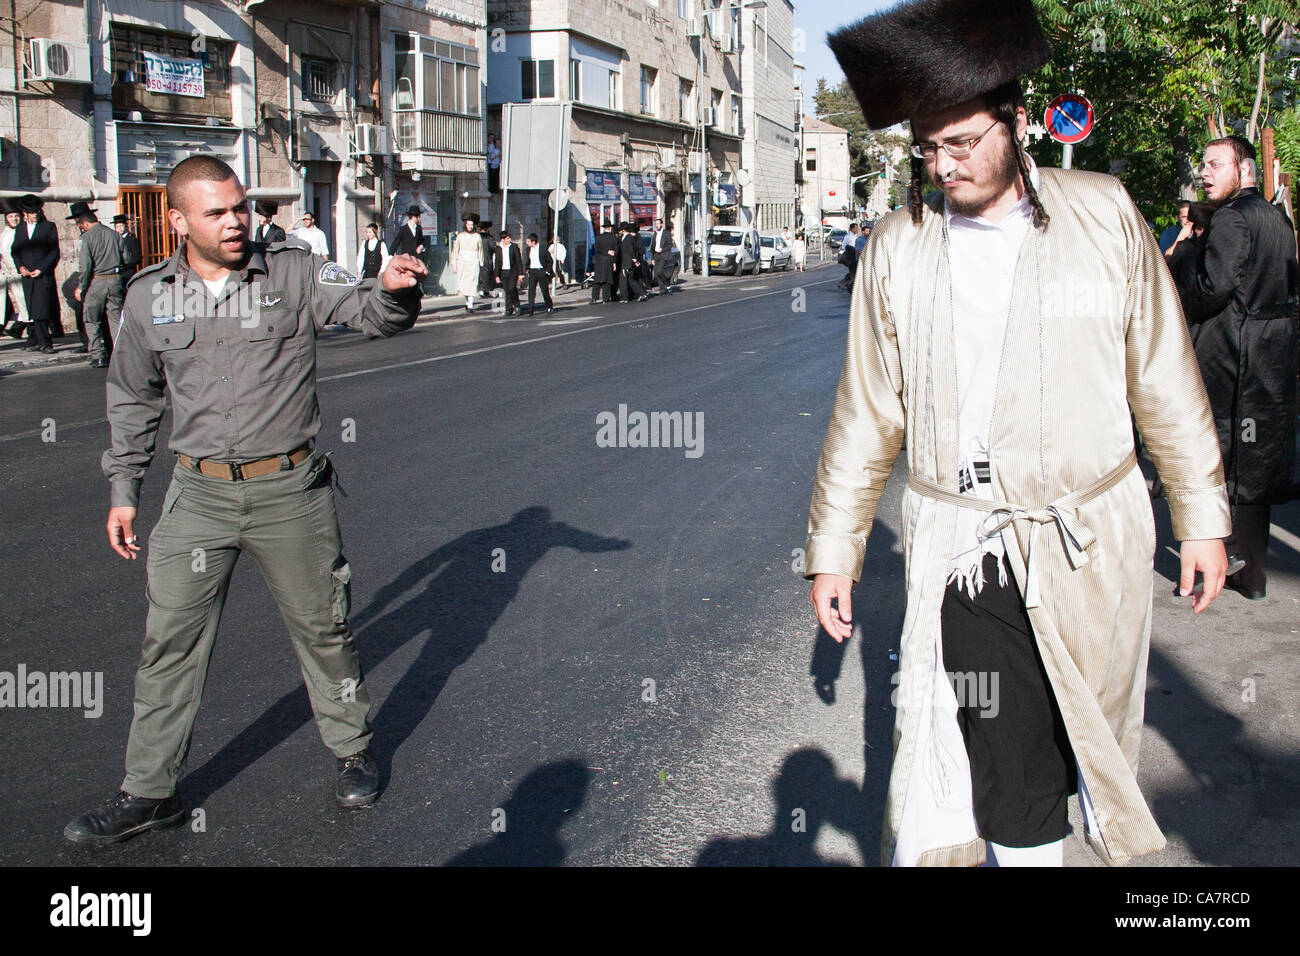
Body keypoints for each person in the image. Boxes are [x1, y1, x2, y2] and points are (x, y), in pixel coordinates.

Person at [810, 0, 1230, 869]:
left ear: (1017, 121)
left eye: (961, 141)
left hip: (1089, 540)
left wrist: (1202, 516)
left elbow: (1161, 375)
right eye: (928, 147)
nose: (943, 163)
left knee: (1084, 737)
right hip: (969, 548)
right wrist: (836, 549)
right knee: (1003, 755)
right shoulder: (898, 245)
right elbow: (867, 411)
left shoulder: (1104, 214)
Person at [63, 155, 428, 847]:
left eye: (239, 206)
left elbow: (366, 312)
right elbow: (133, 399)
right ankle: (149, 793)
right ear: (177, 221)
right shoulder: (147, 297)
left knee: (323, 630)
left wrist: (394, 290)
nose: (236, 222)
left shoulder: (290, 269)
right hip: (197, 494)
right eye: (216, 212)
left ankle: (353, 750)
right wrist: (123, 490)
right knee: (167, 643)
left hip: (289, 490)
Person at [1179, 135, 1298, 600]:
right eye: (1203, 164)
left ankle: (1223, 560)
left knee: (1221, 455)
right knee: (1256, 461)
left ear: (1244, 170)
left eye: (1215, 165)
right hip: (1271, 353)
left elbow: (1213, 287)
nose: (1205, 173)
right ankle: (1252, 574)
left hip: (1233, 354)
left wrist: (1187, 259)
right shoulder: (1277, 219)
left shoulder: (1231, 218)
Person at [69, 202, 125, 368]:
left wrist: (81, 286)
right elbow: (126, 257)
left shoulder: (87, 238)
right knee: (115, 319)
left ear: (85, 223)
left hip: (97, 280)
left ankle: (98, 354)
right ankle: (120, 354)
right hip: (115, 279)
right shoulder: (115, 235)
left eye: (80, 225)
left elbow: (85, 267)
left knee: (92, 319)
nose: (81, 228)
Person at [10, 194, 60, 353]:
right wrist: (21, 267)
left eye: (37, 211)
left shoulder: (49, 227)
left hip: (42, 275)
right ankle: (37, 340)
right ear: (25, 213)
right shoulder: (20, 229)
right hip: (27, 276)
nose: (35, 214)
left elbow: (54, 252)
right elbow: (15, 251)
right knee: (32, 309)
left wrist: (42, 269)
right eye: (32, 212)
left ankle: (45, 342)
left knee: (42, 309)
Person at [1165, 201, 1212, 295]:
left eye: (1190, 218)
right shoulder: (1169, 234)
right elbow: (1166, 260)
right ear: (1177, 218)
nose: (1187, 221)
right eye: (1184, 217)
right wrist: (1180, 237)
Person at [1, 199, 29, 339]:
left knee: (24, 301)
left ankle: (26, 329)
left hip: (19, 272)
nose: (14, 219)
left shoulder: (23, 232)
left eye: (16, 216)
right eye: (11, 216)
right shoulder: (4, 233)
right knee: (3, 304)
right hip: (6, 273)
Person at [451, 213, 485, 313]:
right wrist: (454, 263)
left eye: (471, 225)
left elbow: (481, 250)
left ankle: (470, 305)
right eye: (468, 224)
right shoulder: (460, 236)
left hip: (473, 262)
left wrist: (481, 262)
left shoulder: (477, 236)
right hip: (463, 262)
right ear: (465, 225)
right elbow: (455, 250)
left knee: (472, 283)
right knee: (464, 284)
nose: (470, 226)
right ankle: (467, 302)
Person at [524, 232, 555, 316]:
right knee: (531, 291)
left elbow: (550, 261)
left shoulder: (542, 249)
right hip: (532, 271)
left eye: (528, 241)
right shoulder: (528, 250)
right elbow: (527, 261)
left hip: (541, 271)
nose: (527, 243)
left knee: (544, 290)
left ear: (533, 242)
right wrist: (527, 269)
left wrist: (547, 271)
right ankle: (530, 309)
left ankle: (549, 306)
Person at [493, 230, 523, 316]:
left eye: (509, 238)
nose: (509, 240)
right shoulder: (498, 249)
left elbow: (518, 261)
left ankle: (517, 305)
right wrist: (496, 275)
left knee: (512, 288)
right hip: (503, 272)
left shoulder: (514, 247)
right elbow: (497, 263)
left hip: (512, 271)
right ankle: (508, 308)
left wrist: (520, 273)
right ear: (502, 239)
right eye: (507, 238)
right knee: (506, 291)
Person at [617, 222, 647, 303]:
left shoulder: (628, 239)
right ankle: (639, 294)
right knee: (630, 280)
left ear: (623, 230)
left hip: (627, 263)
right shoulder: (629, 238)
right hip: (628, 262)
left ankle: (638, 294)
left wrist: (634, 259)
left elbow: (630, 250)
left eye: (620, 230)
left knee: (628, 280)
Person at [591, 220, 619, 304]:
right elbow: (615, 252)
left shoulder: (598, 237)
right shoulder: (614, 239)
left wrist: (605, 251)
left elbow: (596, 248)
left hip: (599, 260)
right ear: (610, 228)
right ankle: (605, 298)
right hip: (608, 260)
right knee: (607, 280)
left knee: (597, 280)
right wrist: (614, 262)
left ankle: (594, 298)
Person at [650, 216, 676, 295]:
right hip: (656, 255)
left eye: (658, 223)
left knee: (660, 271)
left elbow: (670, 244)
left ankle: (667, 285)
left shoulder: (666, 233)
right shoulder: (655, 233)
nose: (657, 225)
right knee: (657, 274)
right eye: (656, 224)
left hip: (663, 255)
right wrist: (652, 258)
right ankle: (662, 290)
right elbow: (653, 246)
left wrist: (662, 249)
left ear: (662, 224)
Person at [113, 214, 143, 280]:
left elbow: (138, 258)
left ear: (126, 226)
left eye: (121, 226)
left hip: (128, 273)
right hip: (117, 274)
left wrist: (124, 264)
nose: (119, 228)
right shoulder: (115, 241)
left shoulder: (132, 240)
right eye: (117, 226)